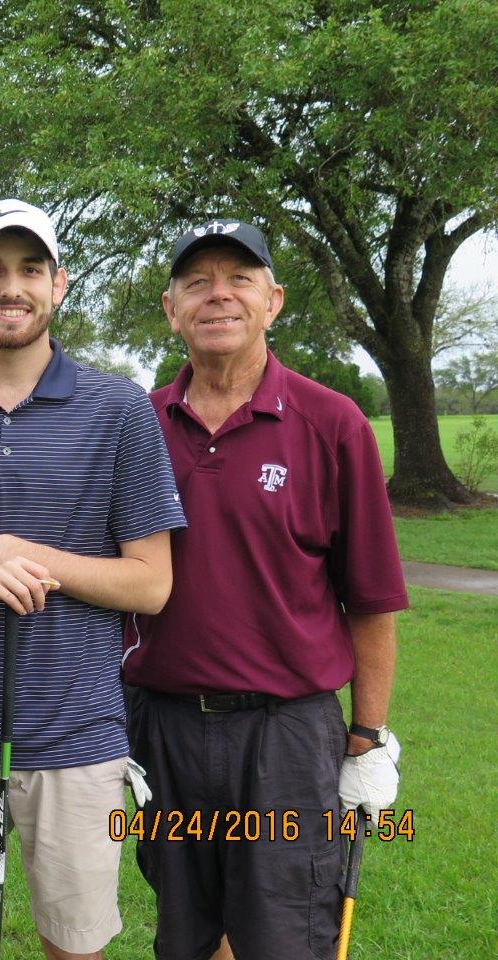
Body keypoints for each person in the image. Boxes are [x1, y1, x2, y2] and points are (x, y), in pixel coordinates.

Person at [0, 199, 187, 960]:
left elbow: (151, 585)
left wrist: (11, 548)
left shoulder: (118, 408)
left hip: (80, 736)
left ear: (60, 285)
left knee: (75, 947)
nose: (10, 287)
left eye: (29, 270)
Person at [122, 219, 407, 960]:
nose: (219, 295)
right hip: (165, 727)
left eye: (240, 278)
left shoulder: (332, 423)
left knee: (282, 936)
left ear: (273, 300)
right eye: (197, 282)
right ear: (171, 306)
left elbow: (371, 599)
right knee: (186, 934)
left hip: (286, 735)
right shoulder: (137, 425)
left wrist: (368, 739)